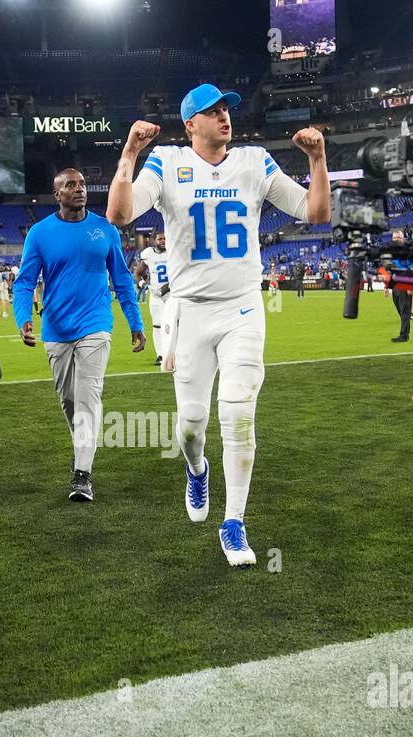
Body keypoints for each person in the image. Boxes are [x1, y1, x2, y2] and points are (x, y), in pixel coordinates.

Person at [107, 83, 330, 566]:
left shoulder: (253, 161)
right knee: (191, 426)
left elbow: (315, 212)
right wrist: (129, 152)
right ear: (190, 124)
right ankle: (196, 469)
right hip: (189, 312)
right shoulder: (167, 162)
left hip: (243, 308)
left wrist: (317, 160)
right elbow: (120, 213)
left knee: (238, 413)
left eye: (226, 108)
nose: (224, 117)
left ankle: (234, 522)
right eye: (211, 112)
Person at [16, 167, 145, 503]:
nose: (79, 189)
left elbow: (122, 280)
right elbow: (25, 281)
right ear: (57, 194)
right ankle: (84, 447)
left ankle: (82, 475)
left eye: (83, 184)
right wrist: (23, 318)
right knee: (69, 401)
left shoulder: (105, 230)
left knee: (88, 396)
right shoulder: (40, 233)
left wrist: (135, 322)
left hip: (95, 325)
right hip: (56, 329)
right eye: (70, 185)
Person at [137, 231, 173, 367]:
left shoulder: (172, 252)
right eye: (160, 239)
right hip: (156, 295)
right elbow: (138, 274)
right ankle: (160, 355)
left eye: (165, 239)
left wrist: (167, 287)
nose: (163, 241)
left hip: (172, 293)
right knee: (157, 326)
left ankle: (175, 352)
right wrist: (143, 284)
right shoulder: (148, 254)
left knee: (174, 324)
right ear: (154, 240)